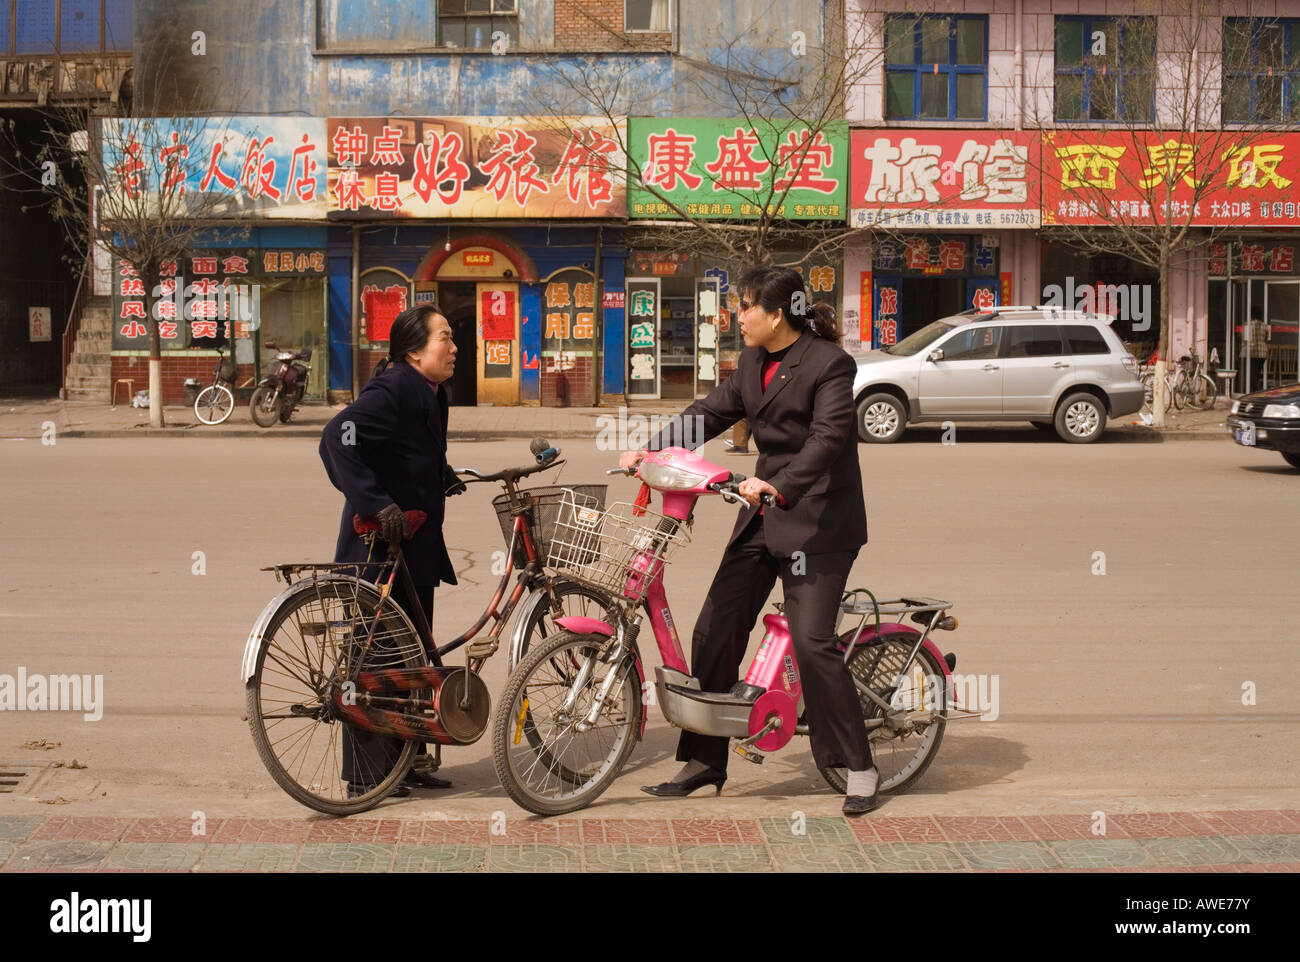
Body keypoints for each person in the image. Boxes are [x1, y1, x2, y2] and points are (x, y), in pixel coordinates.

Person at [620, 265, 879, 816]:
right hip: (761, 513)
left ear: (777, 314)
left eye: (745, 307)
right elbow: (709, 413)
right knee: (715, 627)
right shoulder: (753, 363)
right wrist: (650, 451)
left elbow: (829, 439)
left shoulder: (829, 363)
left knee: (812, 642)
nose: (738, 316)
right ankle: (705, 762)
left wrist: (777, 484)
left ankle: (858, 765)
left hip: (818, 521)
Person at [319, 304, 465, 798]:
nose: (454, 347)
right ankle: (366, 774)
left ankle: (410, 756)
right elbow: (337, 439)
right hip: (377, 548)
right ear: (413, 349)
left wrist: (439, 474)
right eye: (444, 337)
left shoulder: (430, 391)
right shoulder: (394, 386)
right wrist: (377, 504)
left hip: (413, 547)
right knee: (374, 659)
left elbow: (407, 448)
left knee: (413, 653)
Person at [1241, 317, 1268, 394]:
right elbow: (1266, 338)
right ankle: (1253, 392)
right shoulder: (1264, 325)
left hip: (1251, 353)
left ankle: (1259, 393)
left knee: (1252, 376)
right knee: (1256, 375)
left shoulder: (1247, 324)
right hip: (1262, 353)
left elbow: (1243, 337)